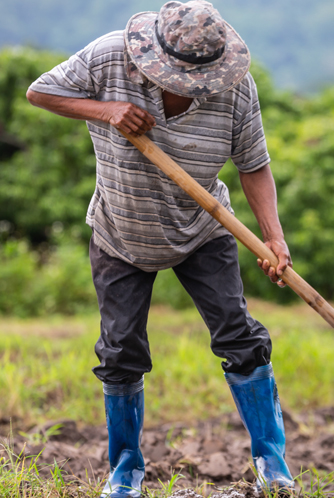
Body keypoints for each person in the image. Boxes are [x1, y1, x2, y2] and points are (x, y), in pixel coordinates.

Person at [26, 1, 295, 496]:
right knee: (121, 350)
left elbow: (253, 164)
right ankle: (125, 470)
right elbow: (40, 92)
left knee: (239, 336)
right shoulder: (108, 57)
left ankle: (273, 465)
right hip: (120, 231)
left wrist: (273, 237)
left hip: (203, 228)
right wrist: (106, 110)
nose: (192, 87)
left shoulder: (235, 89)